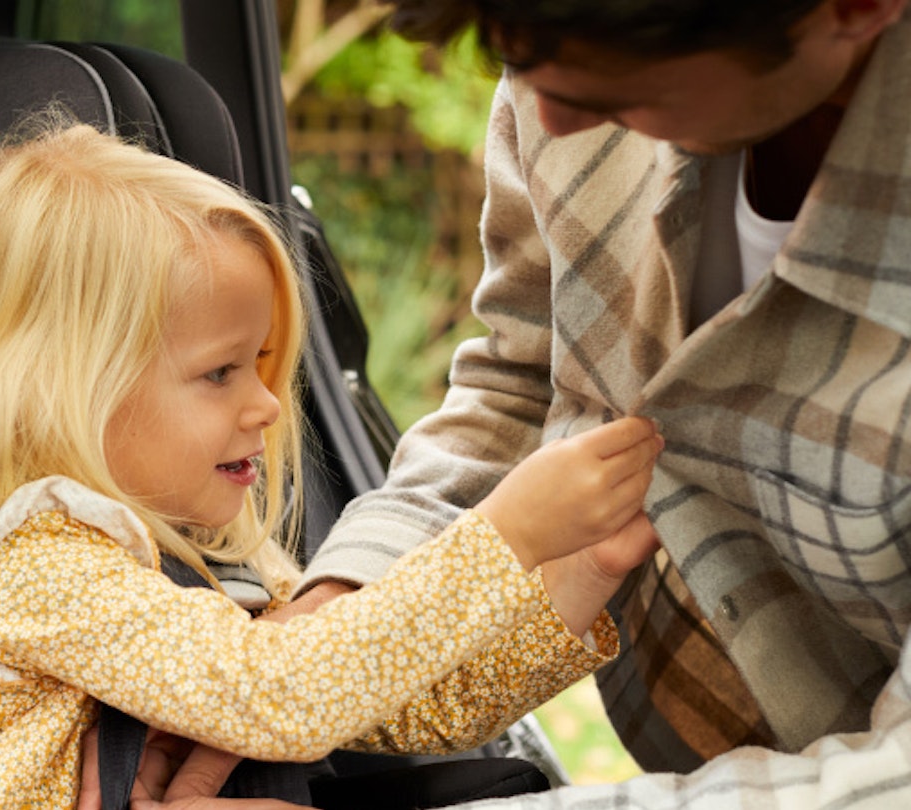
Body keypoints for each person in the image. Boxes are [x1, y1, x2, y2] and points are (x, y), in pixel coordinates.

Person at [0, 120, 663, 809]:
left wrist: (581, 571)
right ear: (60, 393)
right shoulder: (32, 570)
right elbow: (286, 696)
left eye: (263, 364)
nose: (268, 405)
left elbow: (402, 703)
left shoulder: (190, 579)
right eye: (219, 372)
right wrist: (503, 536)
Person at [254, 0, 911, 807]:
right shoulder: (562, 56)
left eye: (612, 80)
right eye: (514, 54)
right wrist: (334, 626)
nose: (549, 117)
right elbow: (527, 382)